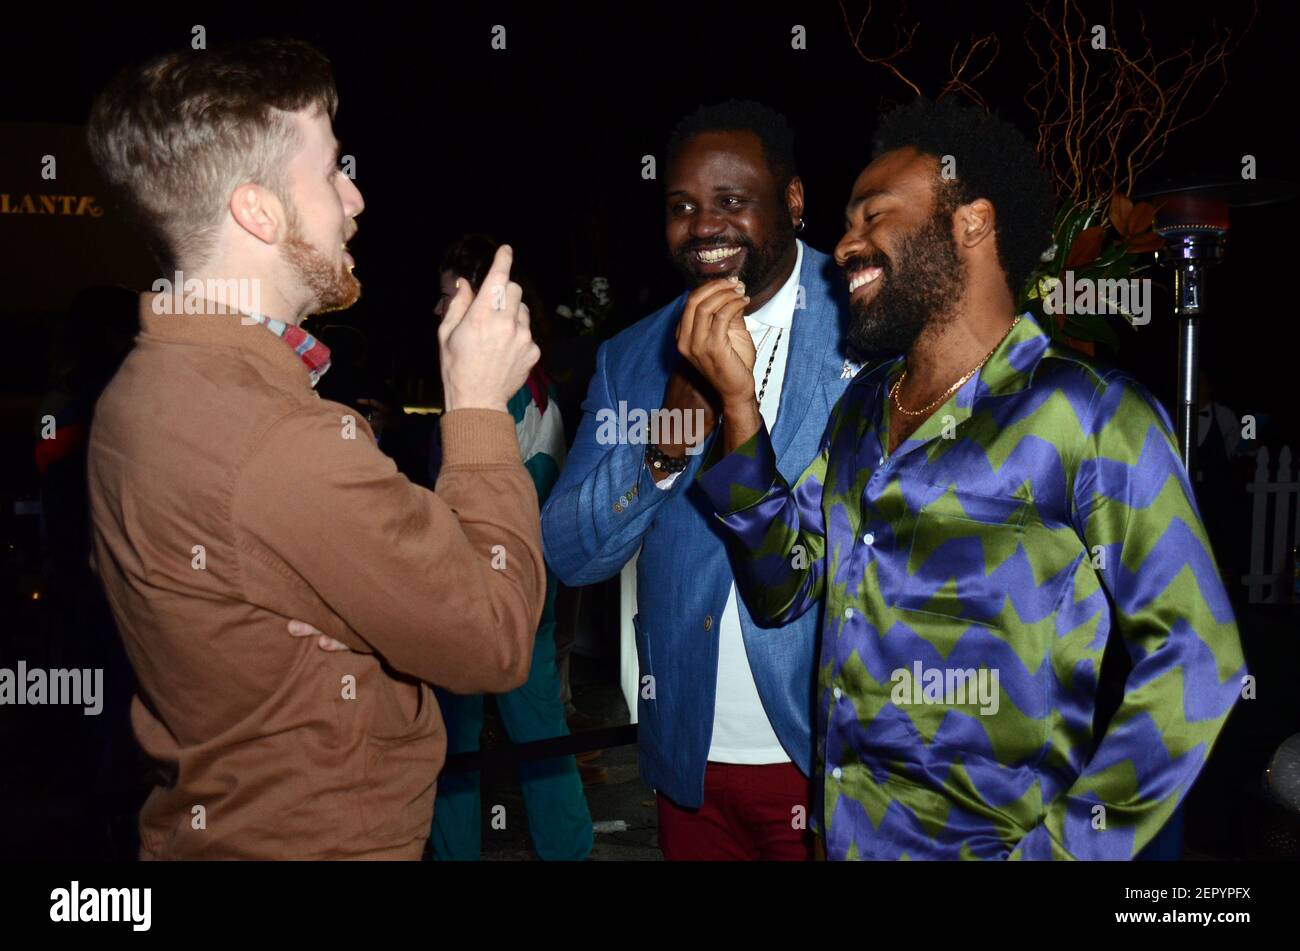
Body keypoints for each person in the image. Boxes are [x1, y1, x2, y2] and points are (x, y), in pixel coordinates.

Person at [687, 97, 1247, 860]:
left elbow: (1198, 660)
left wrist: (1065, 850)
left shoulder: (1084, 413)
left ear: (972, 223)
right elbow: (782, 586)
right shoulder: (861, 408)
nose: (845, 244)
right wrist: (738, 406)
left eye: (872, 215)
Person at [84, 38, 544, 859]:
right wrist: (478, 409)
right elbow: (497, 633)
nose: (355, 196)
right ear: (258, 211)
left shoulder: (141, 386)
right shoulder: (275, 440)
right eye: (333, 169)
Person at [542, 101, 855, 860]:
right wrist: (663, 448)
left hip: (829, 757)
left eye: (731, 202)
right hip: (689, 757)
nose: (703, 226)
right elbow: (567, 551)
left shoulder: (867, 321)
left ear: (793, 201)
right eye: (681, 206)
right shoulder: (634, 356)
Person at [428, 234, 593, 861]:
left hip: (488, 590)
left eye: (446, 299)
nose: (436, 311)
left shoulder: (503, 392)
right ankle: (568, 851)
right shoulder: (529, 382)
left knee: (459, 740)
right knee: (539, 734)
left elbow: (506, 501)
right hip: (524, 586)